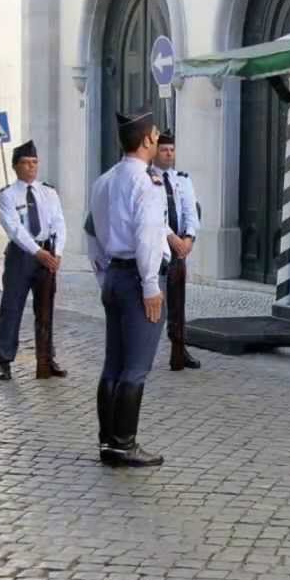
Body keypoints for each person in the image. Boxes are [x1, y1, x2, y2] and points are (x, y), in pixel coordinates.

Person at [86, 110, 168, 467]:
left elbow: (92, 232)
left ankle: (108, 441)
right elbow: (148, 236)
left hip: (116, 276)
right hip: (138, 278)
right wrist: (151, 285)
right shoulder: (147, 182)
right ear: (147, 139)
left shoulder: (105, 180)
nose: (158, 138)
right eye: (155, 134)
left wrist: (104, 275)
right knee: (135, 367)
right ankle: (123, 444)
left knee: (113, 364)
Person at [0, 140, 67, 381]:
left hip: (48, 255)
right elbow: (15, 229)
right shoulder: (7, 195)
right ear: (15, 166)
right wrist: (38, 252)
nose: (31, 167)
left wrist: (57, 254)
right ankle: (5, 360)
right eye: (25, 163)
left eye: (34, 162)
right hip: (22, 256)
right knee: (12, 307)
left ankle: (46, 358)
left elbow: (59, 222)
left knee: (45, 310)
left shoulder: (48, 191)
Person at [154, 129, 202, 371]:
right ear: (155, 151)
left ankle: (179, 349)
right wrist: (172, 238)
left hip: (179, 250)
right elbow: (153, 216)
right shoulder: (148, 179)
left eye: (172, 150)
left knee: (178, 302)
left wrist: (189, 239)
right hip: (157, 249)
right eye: (164, 149)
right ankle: (146, 348)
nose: (169, 154)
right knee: (153, 301)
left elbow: (191, 213)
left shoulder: (182, 180)